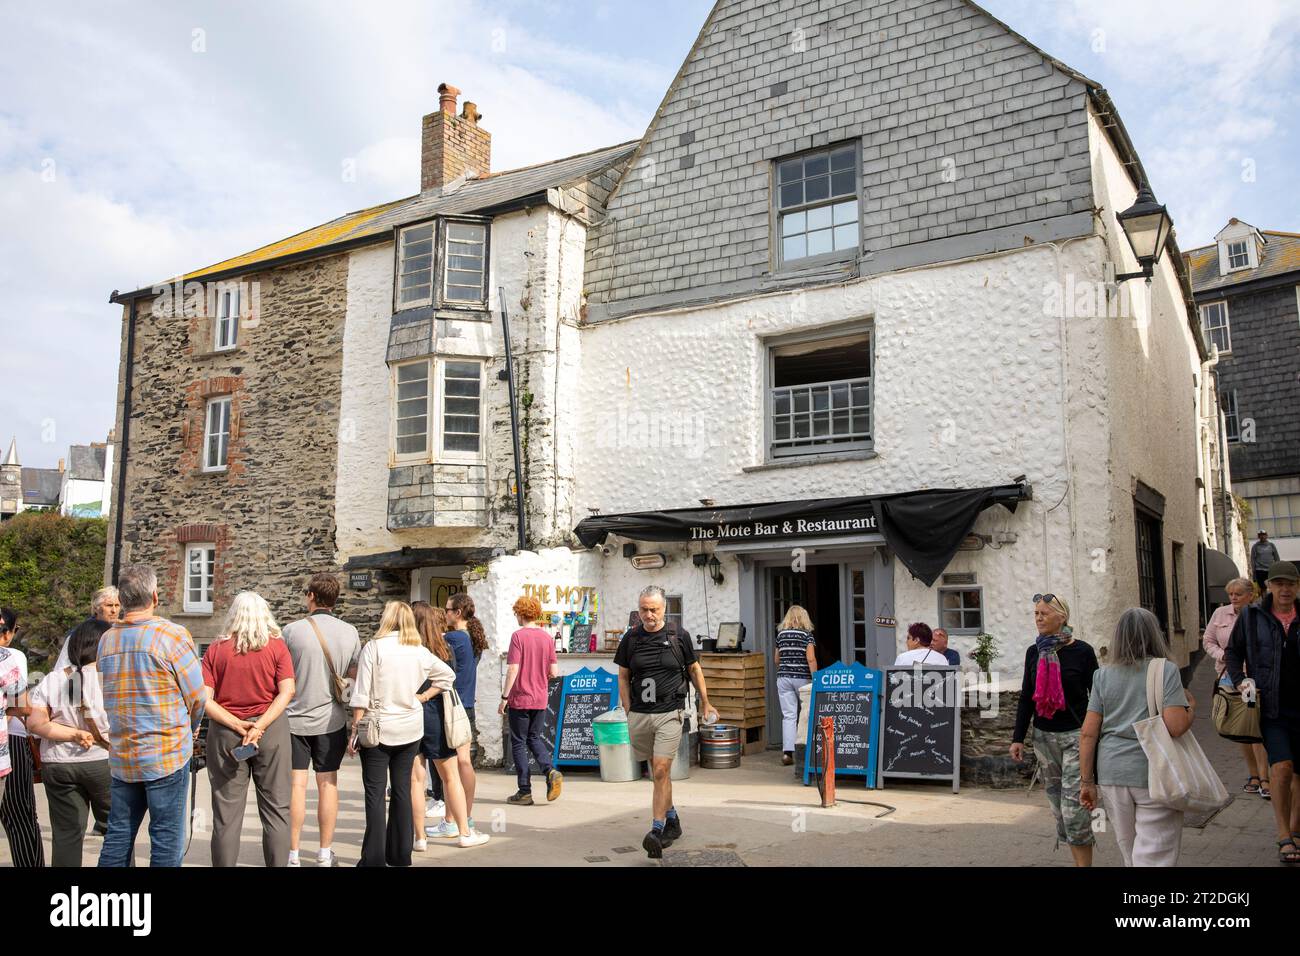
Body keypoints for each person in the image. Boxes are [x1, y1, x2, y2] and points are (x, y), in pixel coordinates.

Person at [350, 601, 487, 865]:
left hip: (379, 726)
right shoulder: (417, 650)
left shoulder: (374, 648)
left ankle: (374, 857)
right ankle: (401, 854)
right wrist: (422, 696)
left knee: (376, 794)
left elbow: (361, 694)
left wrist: (355, 729)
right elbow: (447, 676)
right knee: (402, 789)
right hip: (410, 726)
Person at [97, 564, 206, 868]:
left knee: (118, 836)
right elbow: (197, 696)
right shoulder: (171, 635)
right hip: (165, 751)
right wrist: (192, 728)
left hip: (124, 753)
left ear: (122, 599)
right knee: (166, 838)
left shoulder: (107, 640)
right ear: (155, 596)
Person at [1079, 608, 1194, 866]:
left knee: (1130, 853)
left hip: (1111, 774)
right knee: (1155, 856)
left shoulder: (1103, 676)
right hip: (1153, 773)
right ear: (1156, 635)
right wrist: (1192, 710)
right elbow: (1175, 726)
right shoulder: (1165, 670)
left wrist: (1087, 782)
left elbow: (1088, 733)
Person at [615, 585, 718, 859]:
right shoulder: (631, 639)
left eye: (654, 609)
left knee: (661, 769)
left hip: (670, 712)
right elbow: (623, 675)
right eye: (644, 609)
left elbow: (695, 669)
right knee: (655, 771)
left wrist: (705, 702)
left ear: (664, 609)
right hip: (639, 713)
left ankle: (656, 830)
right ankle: (672, 818)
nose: (648, 614)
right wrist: (627, 709)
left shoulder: (677, 636)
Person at [202, 591, 296, 867]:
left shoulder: (215, 650)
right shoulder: (277, 647)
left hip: (226, 732)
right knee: (277, 810)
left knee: (225, 814)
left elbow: (204, 699)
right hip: (272, 731)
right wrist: (260, 725)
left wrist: (235, 723)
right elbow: (287, 691)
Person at [1009, 593, 1098, 866]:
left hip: (1076, 737)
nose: (1038, 619)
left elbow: (1097, 696)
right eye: (1036, 614)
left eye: (1044, 614)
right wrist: (1018, 738)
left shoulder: (1082, 651)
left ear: (1062, 617)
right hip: (1044, 738)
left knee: (1075, 811)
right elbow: (1027, 696)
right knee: (1059, 810)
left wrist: (1096, 735)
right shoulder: (1034, 652)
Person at [280, 572, 361, 867]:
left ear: (312, 596)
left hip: (294, 720)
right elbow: (352, 678)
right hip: (332, 720)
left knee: (297, 787)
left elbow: (282, 676)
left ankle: (293, 854)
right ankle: (325, 853)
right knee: (328, 784)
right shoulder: (350, 633)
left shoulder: (291, 631)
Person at [1226, 560, 1300, 864]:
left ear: (1297, 587)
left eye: (1290, 584)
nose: (1285, 589)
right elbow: (1233, 652)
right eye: (1278, 583)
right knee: (1281, 767)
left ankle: (1295, 831)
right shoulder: (1253, 616)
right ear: (1268, 586)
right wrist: (1242, 680)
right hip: (1271, 707)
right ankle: (1284, 835)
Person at [26, 618, 113, 866]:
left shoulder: (53, 679)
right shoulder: (111, 679)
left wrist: (73, 734)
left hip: (58, 763)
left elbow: (35, 724)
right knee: (118, 830)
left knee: (66, 834)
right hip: (103, 762)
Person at [424, 592, 485, 840]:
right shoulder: (473, 638)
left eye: (448, 610)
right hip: (466, 705)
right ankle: (461, 817)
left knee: (454, 767)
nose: (444, 614)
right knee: (462, 764)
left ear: (457, 613)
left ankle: (454, 819)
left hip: (452, 706)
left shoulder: (454, 637)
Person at [1203, 577, 1271, 798]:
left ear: (1250, 595)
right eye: (1230, 594)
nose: (1233, 598)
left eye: (1238, 594)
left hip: (1250, 678)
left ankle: (1265, 778)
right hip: (1229, 678)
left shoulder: (1259, 615)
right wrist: (1222, 655)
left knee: (1254, 726)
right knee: (1240, 727)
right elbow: (1208, 640)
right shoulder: (1220, 614)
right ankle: (1253, 774)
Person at [498, 595, 562, 807]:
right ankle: (549, 770)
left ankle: (524, 791)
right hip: (540, 698)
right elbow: (554, 671)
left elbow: (513, 668)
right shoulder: (546, 638)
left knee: (518, 741)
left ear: (520, 613)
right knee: (534, 738)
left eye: (516, 612)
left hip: (520, 698)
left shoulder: (518, 636)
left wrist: (504, 697)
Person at [0, 607, 44, 867]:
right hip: (11, 742)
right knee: (21, 817)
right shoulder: (11, 656)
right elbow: (24, 706)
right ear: (7, 633)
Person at [409, 601, 450, 849]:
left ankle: (420, 837)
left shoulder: (408, 649)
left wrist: (419, 697)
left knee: (416, 780)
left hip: (412, 714)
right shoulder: (443, 648)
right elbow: (449, 679)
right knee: (449, 776)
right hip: (435, 714)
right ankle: (460, 826)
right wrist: (428, 696)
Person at [774, 605, 817, 765]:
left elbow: (776, 660)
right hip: (802, 677)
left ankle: (788, 753)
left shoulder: (781, 635)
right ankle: (805, 751)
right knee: (806, 713)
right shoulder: (807, 635)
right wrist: (815, 679)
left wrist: (786, 668)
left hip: (784, 678)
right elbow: (811, 658)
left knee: (789, 715)